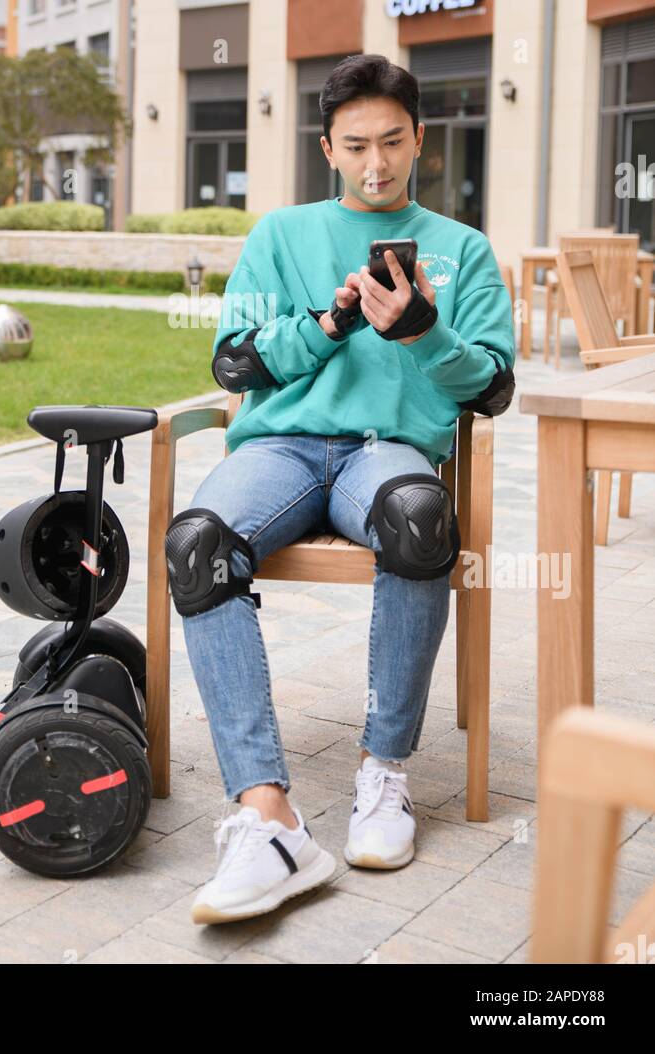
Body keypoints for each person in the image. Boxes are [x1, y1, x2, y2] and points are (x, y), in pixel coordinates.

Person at [165, 53, 516, 926]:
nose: (376, 163)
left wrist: (425, 333)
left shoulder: (464, 250)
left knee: (421, 519)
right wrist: (329, 324)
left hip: (386, 454)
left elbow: (494, 391)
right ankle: (268, 818)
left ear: (420, 139)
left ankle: (383, 774)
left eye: (392, 141)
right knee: (197, 542)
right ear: (327, 149)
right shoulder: (280, 235)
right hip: (279, 448)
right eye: (355, 145)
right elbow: (232, 364)